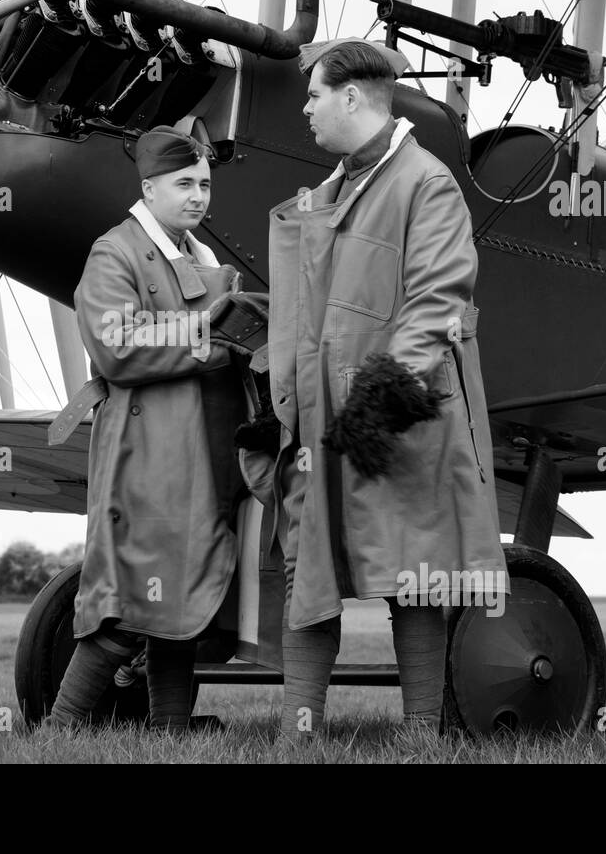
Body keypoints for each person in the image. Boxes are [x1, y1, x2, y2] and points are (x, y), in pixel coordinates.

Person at [256, 38, 508, 736]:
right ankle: (295, 736)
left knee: (415, 575)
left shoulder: (426, 182)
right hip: (322, 419)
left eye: (313, 95)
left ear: (353, 97)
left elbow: (438, 299)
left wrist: (375, 403)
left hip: (397, 419)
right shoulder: (334, 190)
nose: (305, 108)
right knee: (307, 565)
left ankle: (421, 736)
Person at [45, 126, 247, 731]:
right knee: (135, 592)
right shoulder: (116, 251)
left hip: (203, 447)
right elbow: (117, 346)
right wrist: (214, 339)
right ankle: (61, 725)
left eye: (205, 183)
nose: (197, 196)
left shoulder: (200, 255)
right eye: (184, 184)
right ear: (150, 187)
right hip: (145, 450)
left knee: (179, 588)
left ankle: (171, 729)